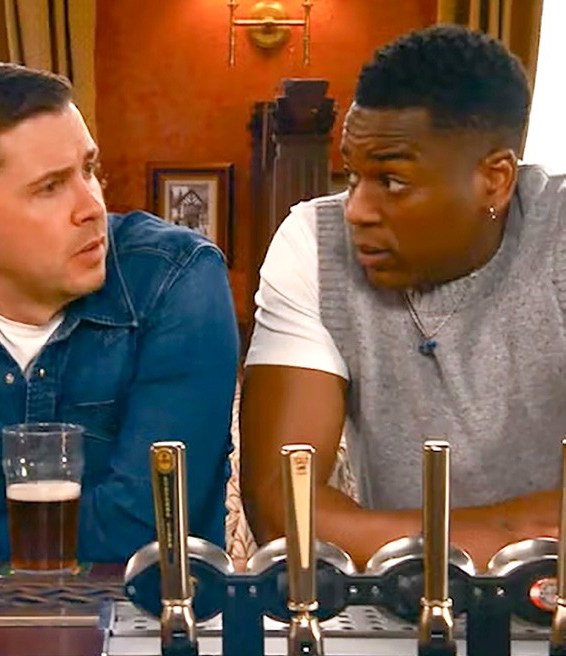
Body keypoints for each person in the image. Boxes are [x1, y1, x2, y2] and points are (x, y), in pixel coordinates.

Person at [241, 24, 566, 570]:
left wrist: (380, 541)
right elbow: (283, 513)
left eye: (392, 181)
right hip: (398, 602)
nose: (356, 210)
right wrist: (520, 534)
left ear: (494, 180)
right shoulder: (315, 243)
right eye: (352, 176)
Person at [0, 63, 239, 561]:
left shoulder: (176, 277)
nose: (92, 207)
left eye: (88, 170)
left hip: (157, 606)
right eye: (50, 186)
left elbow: (147, 525)